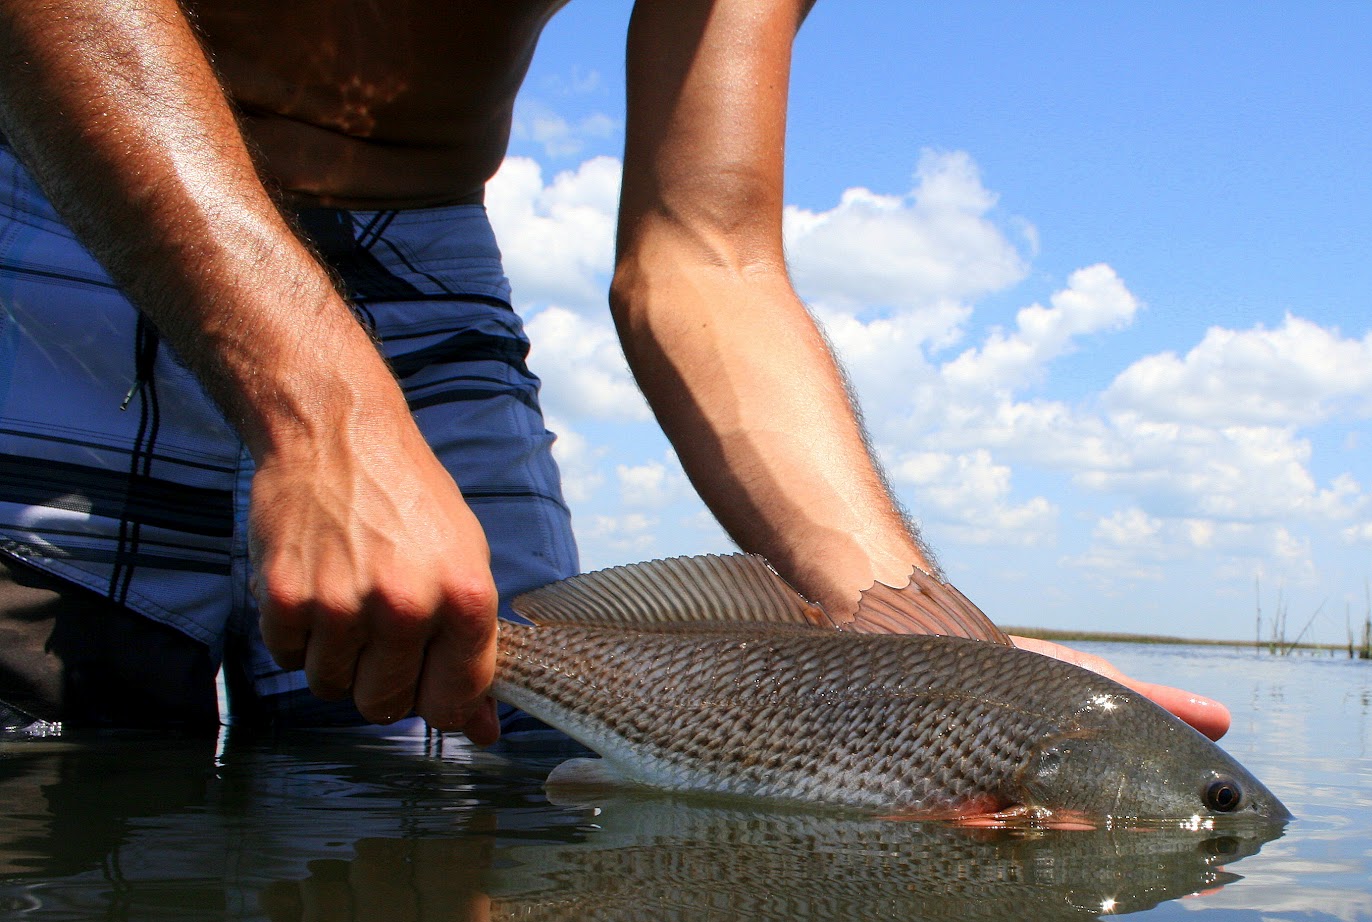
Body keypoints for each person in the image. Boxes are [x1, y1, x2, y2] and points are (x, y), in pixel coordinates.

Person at [0, 0, 1229, 742]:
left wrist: (936, 665)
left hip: (421, 267)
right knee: (53, 757)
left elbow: (705, 257)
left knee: (494, 778)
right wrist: (326, 412)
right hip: (64, 196)